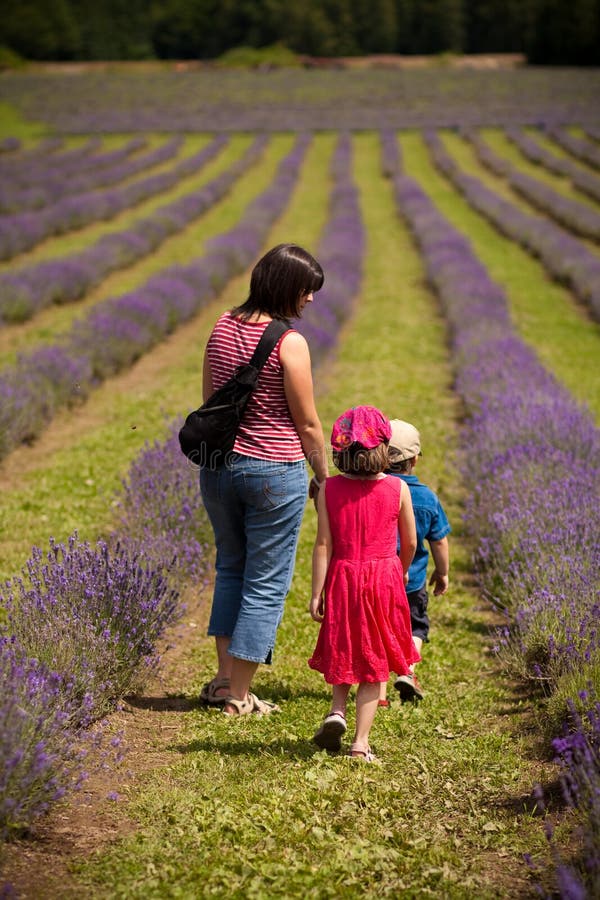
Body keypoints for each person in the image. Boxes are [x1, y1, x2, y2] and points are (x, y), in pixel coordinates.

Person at [198, 243, 329, 716]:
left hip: (217, 468)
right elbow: (308, 423)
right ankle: (239, 695)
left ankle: (221, 681)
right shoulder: (289, 342)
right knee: (266, 581)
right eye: (306, 290)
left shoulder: (220, 325)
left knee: (231, 567)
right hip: (273, 472)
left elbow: (212, 403)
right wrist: (323, 476)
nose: (311, 299)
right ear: (285, 287)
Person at [308, 406, 419, 761]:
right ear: (384, 448)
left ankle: (337, 711)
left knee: (344, 645)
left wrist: (316, 593)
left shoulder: (329, 489)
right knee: (373, 663)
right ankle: (360, 744)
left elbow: (323, 543)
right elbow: (412, 541)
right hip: (382, 577)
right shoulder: (398, 488)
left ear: (340, 450)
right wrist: (399, 569)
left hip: (342, 575)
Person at [382, 419, 451, 704]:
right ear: (414, 461)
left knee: (380, 630)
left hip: (381, 579)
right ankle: (407, 670)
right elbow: (439, 540)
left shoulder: (377, 491)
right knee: (416, 627)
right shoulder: (426, 497)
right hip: (414, 581)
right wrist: (442, 572)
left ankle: (380, 694)